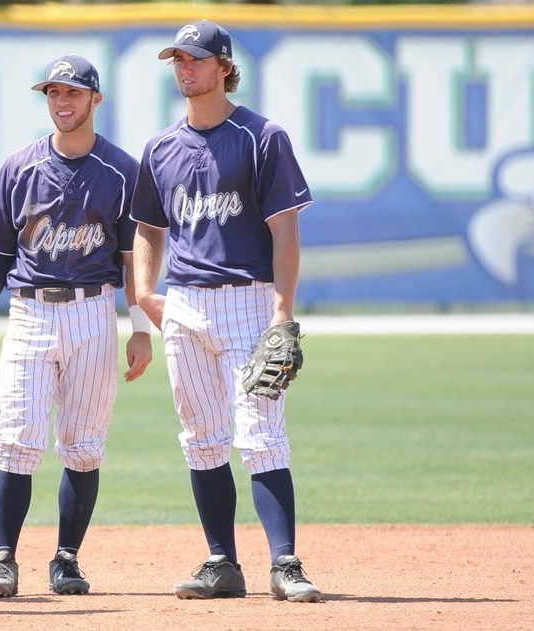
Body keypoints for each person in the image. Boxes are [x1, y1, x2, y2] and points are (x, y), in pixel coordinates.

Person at [129, 20, 323, 603]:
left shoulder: (262, 137)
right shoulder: (161, 148)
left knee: (261, 434)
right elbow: (147, 228)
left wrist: (282, 315)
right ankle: (222, 563)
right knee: (202, 438)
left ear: (222, 65)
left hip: (248, 299)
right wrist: (142, 293)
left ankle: (285, 563)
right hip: (184, 303)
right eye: (176, 61)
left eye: (193, 59)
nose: (184, 69)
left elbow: (285, 232)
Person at [0, 54, 152, 598]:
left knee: (84, 445)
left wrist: (139, 328)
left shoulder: (122, 172)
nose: (61, 102)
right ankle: (2, 559)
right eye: (52, 93)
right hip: (30, 311)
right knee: (16, 439)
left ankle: (66, 559)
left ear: (95, 99)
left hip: (94, 311)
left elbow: (134, 257)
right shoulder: (20, 168)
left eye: (72, 93)